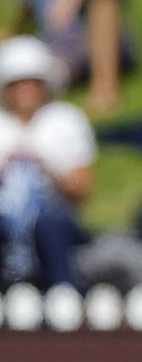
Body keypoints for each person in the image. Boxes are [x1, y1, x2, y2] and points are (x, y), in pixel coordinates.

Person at [0, 36, 94, 289]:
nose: (26, 90)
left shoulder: (65, 120)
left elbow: (83, 189)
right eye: (18, 83)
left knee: (49, 224)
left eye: (33, 82)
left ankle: (64, 293)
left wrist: (47, 168)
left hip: (54, 224)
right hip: (6, 228)